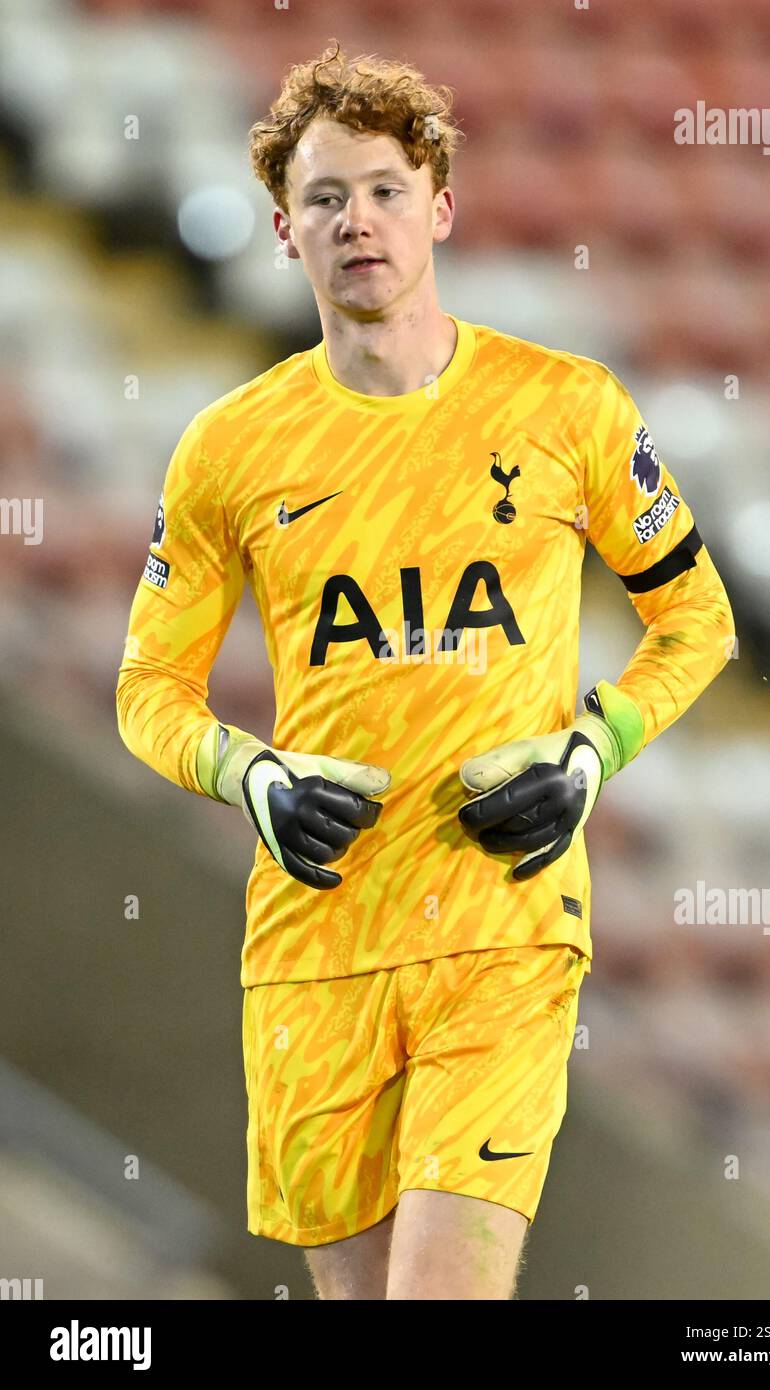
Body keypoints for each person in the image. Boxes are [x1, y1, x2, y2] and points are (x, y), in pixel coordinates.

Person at [116, 40, 735, 1300]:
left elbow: (698, 620)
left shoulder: (566, 408)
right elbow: (146, 691)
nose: (359, 221)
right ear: (285, 234)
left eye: (387, 190)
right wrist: (252, 779)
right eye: (326, 198)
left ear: (440, 206)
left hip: (501, 933)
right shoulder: (228, 450)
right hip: (313, 945)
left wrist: (590, 748)